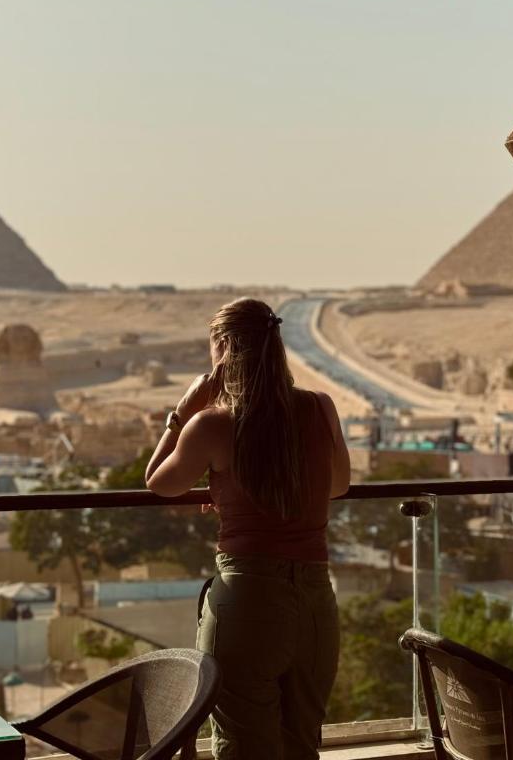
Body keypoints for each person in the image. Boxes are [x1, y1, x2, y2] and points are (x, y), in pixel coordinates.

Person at [146, 298, 350, 760]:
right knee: (301, 743)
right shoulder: (320, 408)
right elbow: (337, 485)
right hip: (316, 602)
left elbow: (158, 482)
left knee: (244, 747)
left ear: (221, 348)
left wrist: (182, 410)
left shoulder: (212, 424)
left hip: (248, 601)